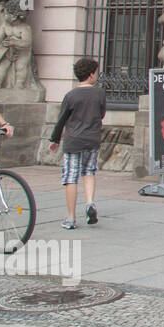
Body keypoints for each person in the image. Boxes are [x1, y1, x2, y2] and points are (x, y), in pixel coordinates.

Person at [48, 58, 107, 230]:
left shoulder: (70, 96)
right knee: (89, 172)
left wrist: (55, 140)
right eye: (95, 72)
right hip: (93, 139)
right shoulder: (100, 93)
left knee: (71, 177)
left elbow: (61, 120)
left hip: (73, 141)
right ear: (90, 75)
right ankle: (89, 203)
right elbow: (101, 114)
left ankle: (71, 218)